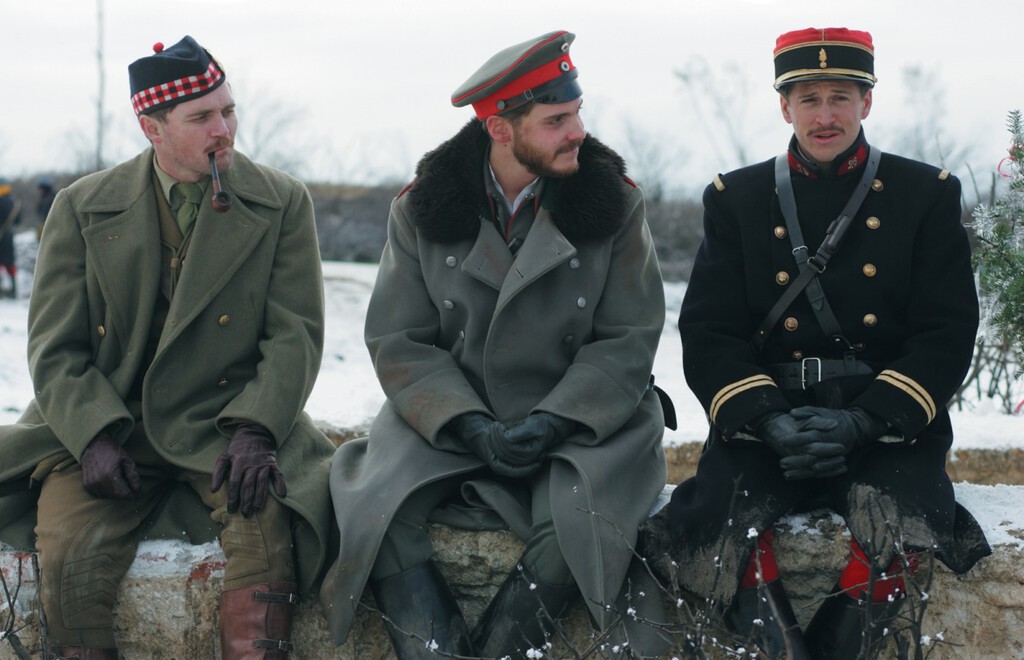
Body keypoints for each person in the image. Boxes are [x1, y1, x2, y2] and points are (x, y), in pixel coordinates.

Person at [320, 30, 672, 658]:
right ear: (500, 129)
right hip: (457, 410)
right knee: (373, 506)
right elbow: (400, 339)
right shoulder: (420, 210)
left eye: (577, 113)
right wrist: (470, 424)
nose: (578, 132)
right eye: (557, 119)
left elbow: (628, 337)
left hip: (586, 416)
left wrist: (552, 420)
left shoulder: (615, 205)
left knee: (580, 520)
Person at [648, 27, 992, 659]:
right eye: (809, 98)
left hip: (883, 418)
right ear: (785, 107)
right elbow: (708, 330)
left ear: (867, 101)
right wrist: (769, 422)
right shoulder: (736, 198)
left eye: (841, 96)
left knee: (903, 528)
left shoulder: (926, 194)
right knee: (721, 527)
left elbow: (945, 333)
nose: (826, 114)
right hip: (770, 416)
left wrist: (864, 422)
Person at [0, 36, 335, 659]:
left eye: (228, 110)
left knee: (265, 538)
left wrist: (257, 431)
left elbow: (296, 334)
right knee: (70, 557)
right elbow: (54, 346)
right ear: (152, 127)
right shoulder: (80, 207)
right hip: (108, 421)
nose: (224, 129)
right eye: (202, 117)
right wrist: (93, 436)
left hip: (225, 419)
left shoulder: (283, 201)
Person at [0, 178, 22, 298]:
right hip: (8, 236)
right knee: (10, 263)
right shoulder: (14, 202)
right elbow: (18, 221)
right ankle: (14, 290)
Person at [36, 176, 57, 240]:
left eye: (40, 188)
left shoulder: (51, 198)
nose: (39, 190)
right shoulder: (44, 198)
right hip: (45, 226)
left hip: (52, 229)